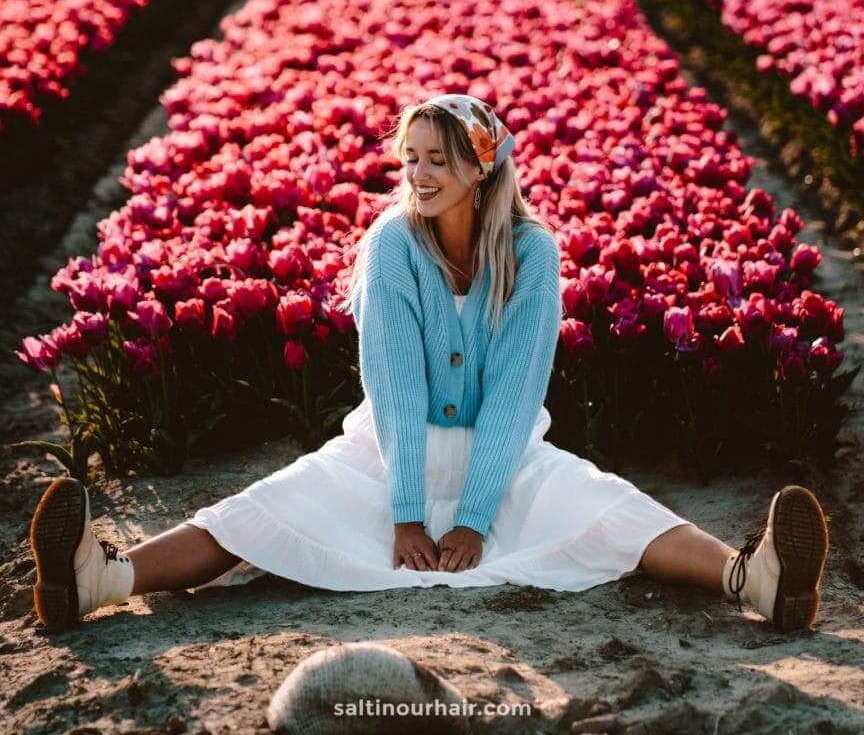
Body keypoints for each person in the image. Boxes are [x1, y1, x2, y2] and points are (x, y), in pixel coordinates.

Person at [29, 93, 829, 635]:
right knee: (259, 515)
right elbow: (394, 386)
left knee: (614, 511)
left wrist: (477, 515)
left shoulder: (531, 253)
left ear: (483, 168)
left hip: (502, 455)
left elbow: (518, 393)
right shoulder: (392, 245)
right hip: (388, 454)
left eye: (438, 159)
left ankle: (753, 580)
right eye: (410, 157)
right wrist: (408, 511)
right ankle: (105, 579)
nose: (418, 174)